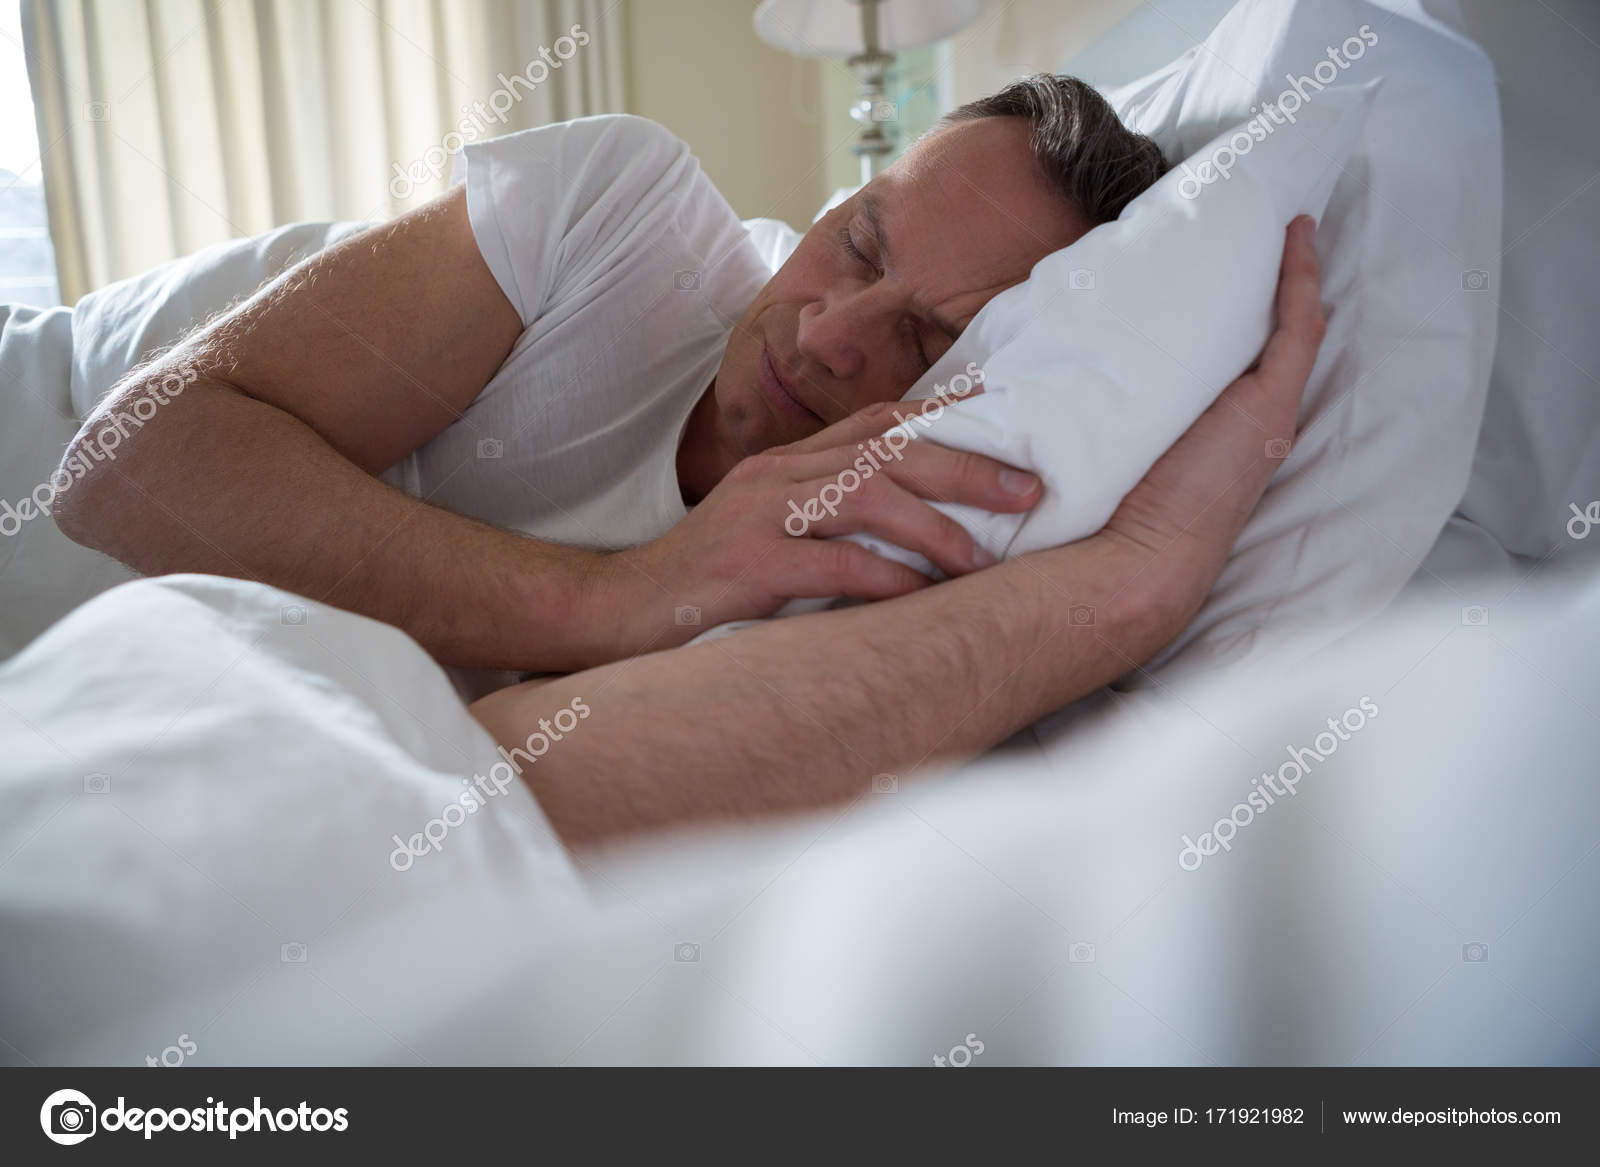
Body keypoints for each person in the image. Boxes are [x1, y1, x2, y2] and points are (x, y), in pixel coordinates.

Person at [54, 76, 1325, 843]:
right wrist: (612, 596)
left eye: (924, 339)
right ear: (843, 197)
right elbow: (121, 460)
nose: (826, 335)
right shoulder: (619, 212)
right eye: (860, 247)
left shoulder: (908, 544)